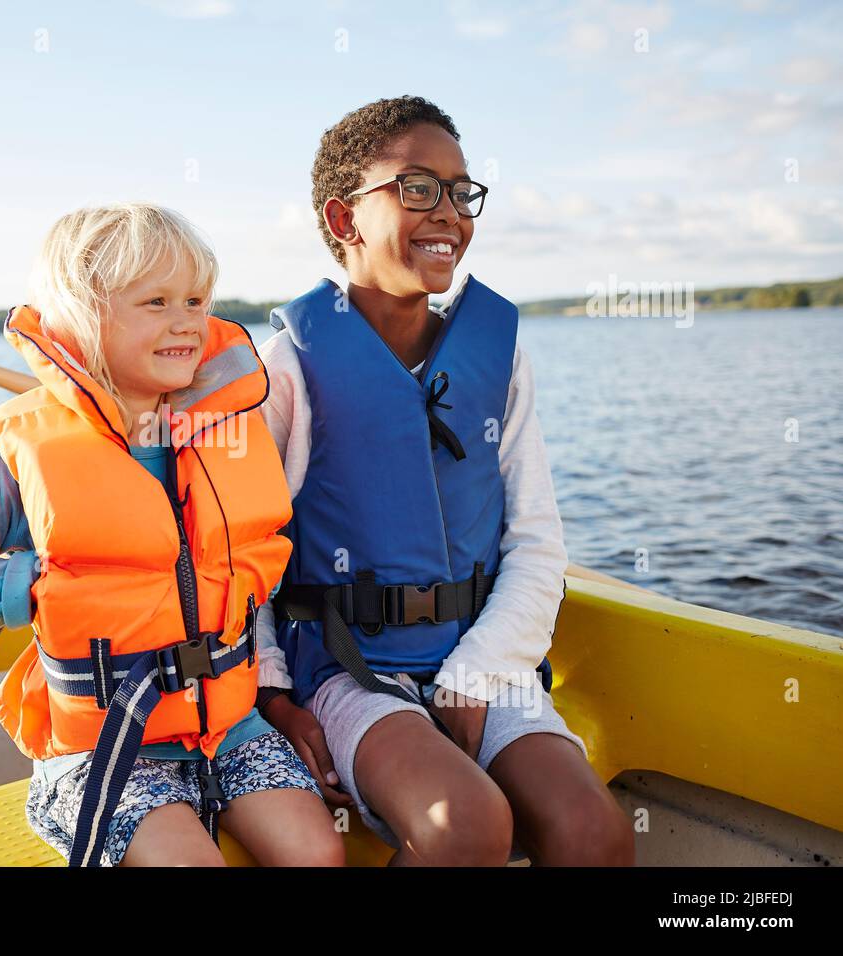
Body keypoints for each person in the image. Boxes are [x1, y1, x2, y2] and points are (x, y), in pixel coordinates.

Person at [0, 203, 343, 867]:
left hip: (230, 727)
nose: (186, 320)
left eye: (195, 299)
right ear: (79, 319)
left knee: (317, 852)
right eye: (155, 301)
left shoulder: (229, 430)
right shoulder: (25, 450)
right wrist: (45, 588)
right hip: (105, 744)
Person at [254, 96, 636, 866]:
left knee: (593, 832)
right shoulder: (286, 369)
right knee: (462, 823)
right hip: (349, 670)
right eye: (417, 187)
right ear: (343, 218)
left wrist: (473, 675)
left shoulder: (502, 359)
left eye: (462, 192)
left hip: (485, 660)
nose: (450, 214)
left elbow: (535, 544)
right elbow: (242, 557)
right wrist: (268, 698)